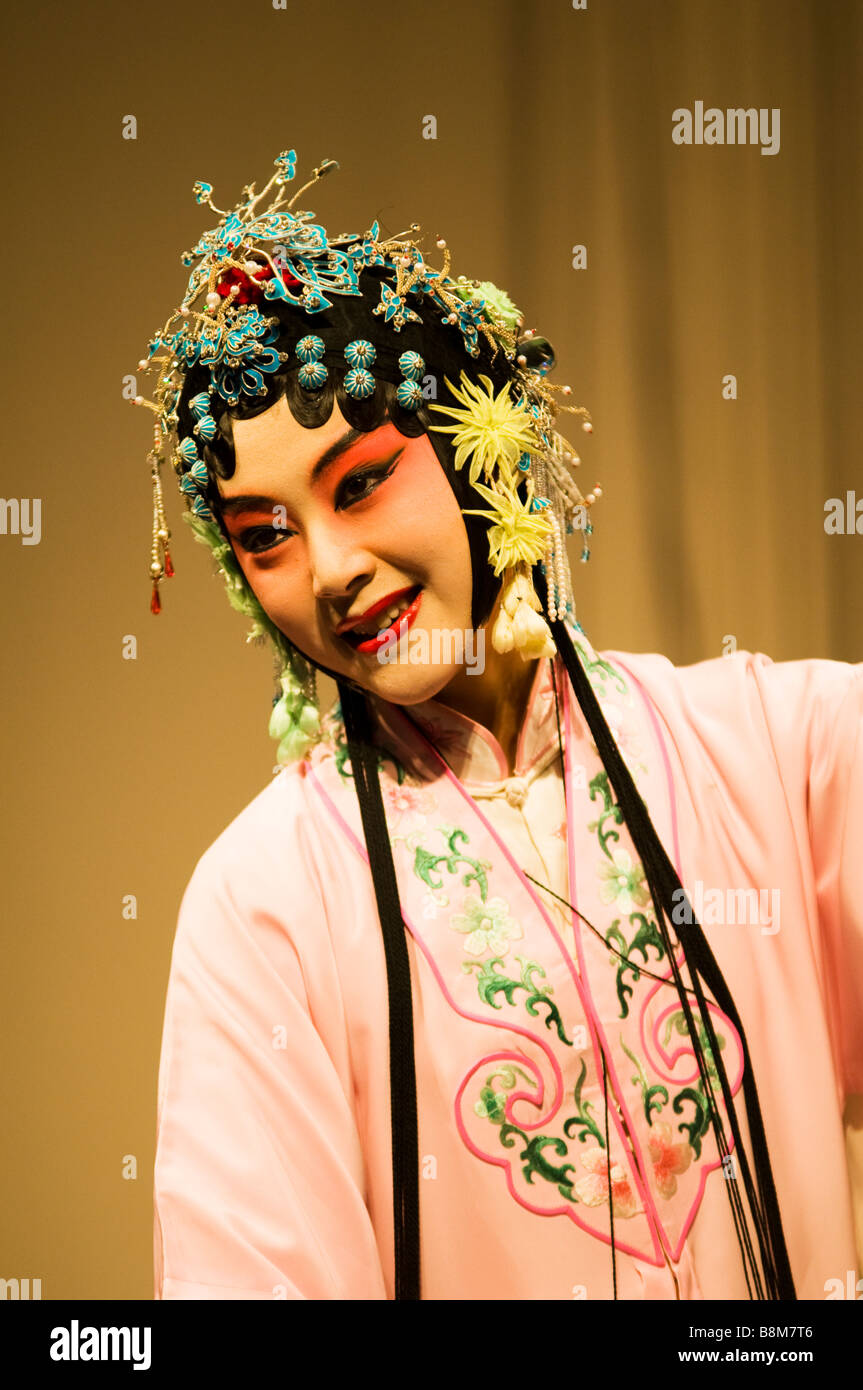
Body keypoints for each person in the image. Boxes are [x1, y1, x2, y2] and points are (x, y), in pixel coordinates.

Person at [134, 148, 862, 1301]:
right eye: (266, 532)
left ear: (487, 448)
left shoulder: (774, 749)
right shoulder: (266, 906)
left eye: (361, 481)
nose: (330, 569)